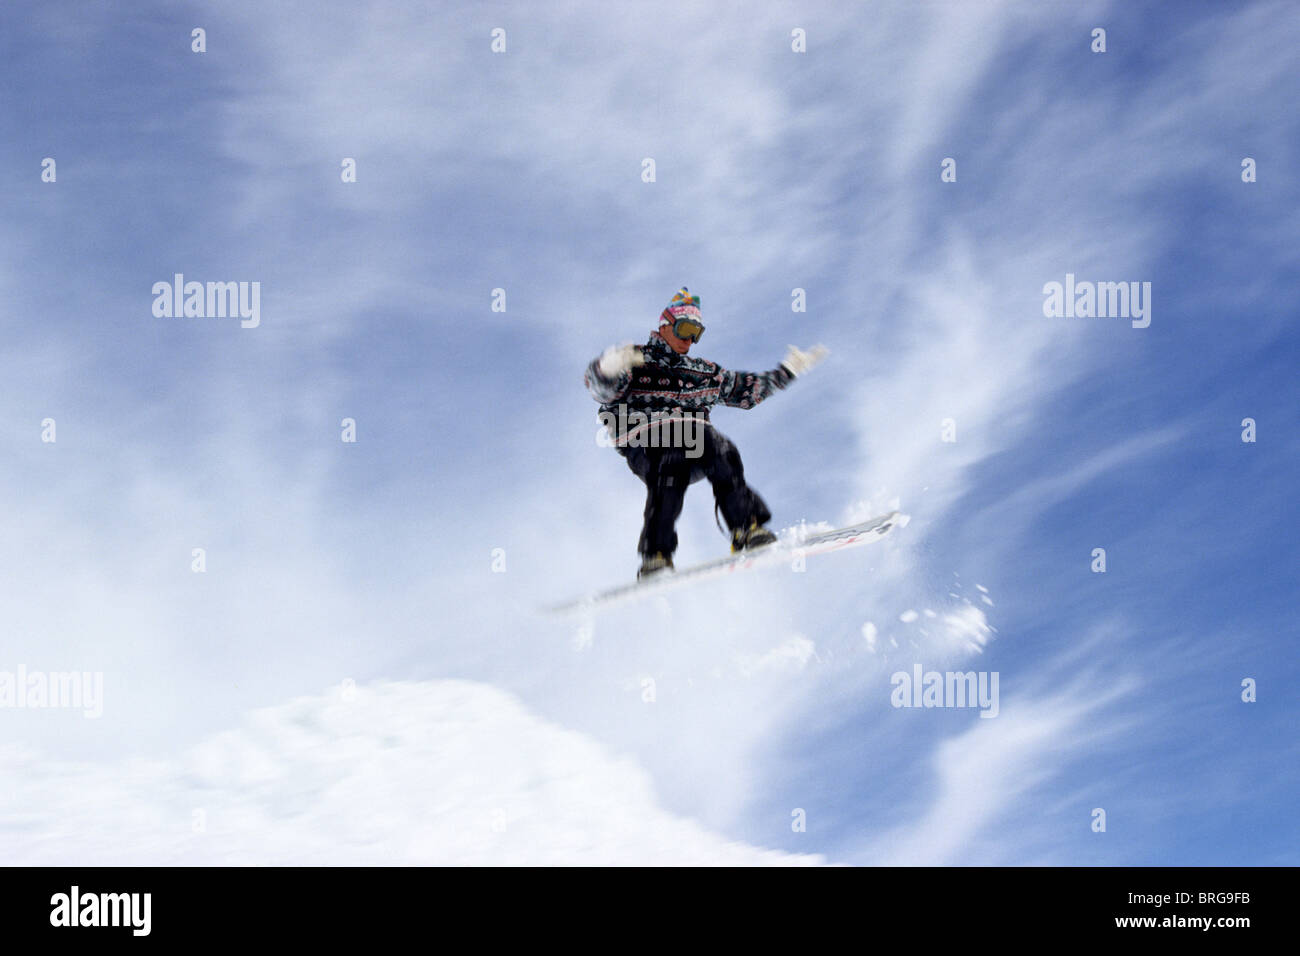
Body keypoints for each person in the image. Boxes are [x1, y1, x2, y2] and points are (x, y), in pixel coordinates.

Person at [584, 286, 827, 579]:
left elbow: (745, 391)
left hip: (695, 443)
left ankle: (745, 529)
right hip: (646, 444)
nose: (689, 340)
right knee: (670, 463)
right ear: (665, 326)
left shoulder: (701, 373)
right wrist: (606, 370)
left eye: (696, 333)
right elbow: (601, 391)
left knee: (720, 448)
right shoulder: (636, 360)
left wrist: (787, 371)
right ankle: (656, 555)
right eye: (685, 329)